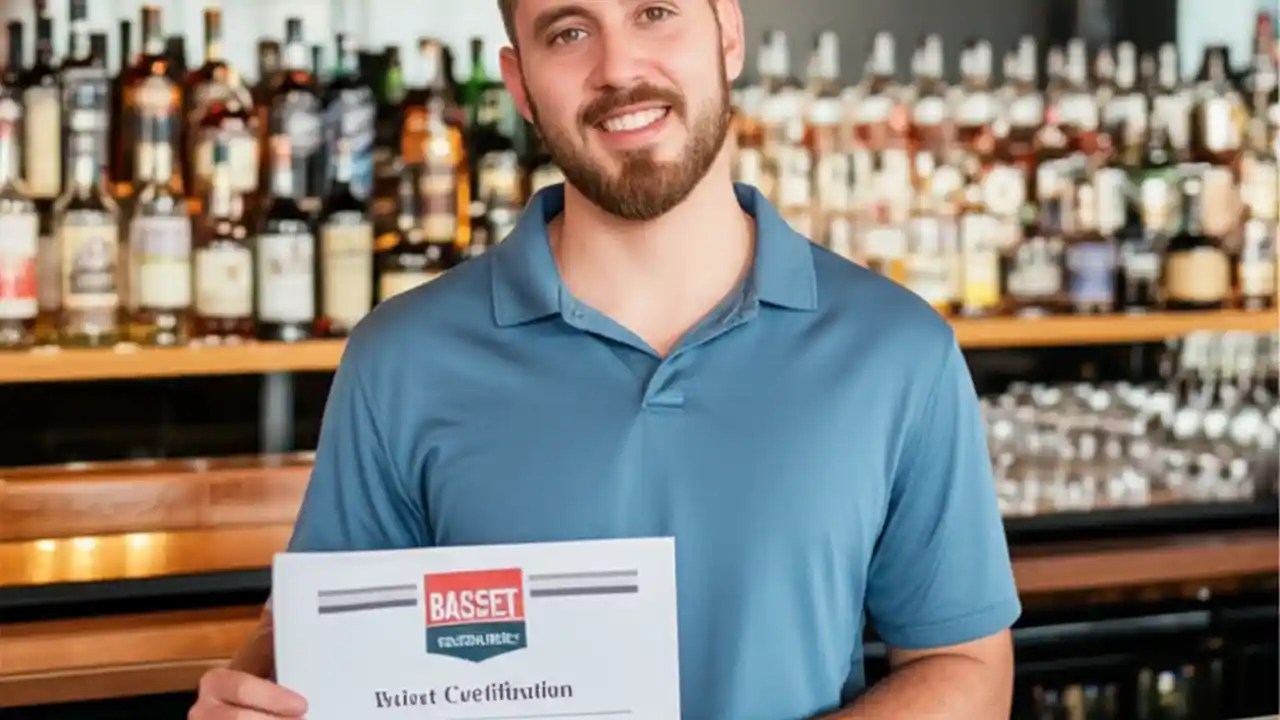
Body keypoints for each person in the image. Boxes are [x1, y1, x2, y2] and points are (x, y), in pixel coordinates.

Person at [189, 1, 1021, 718]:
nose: (619, 67)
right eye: (568, 31)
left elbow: (966, 668)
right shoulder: (401, 357)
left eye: (654, 12)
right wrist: (260, 689)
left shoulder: (896, 349)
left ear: (728, 31)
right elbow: (322, 645)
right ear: (519, 85)